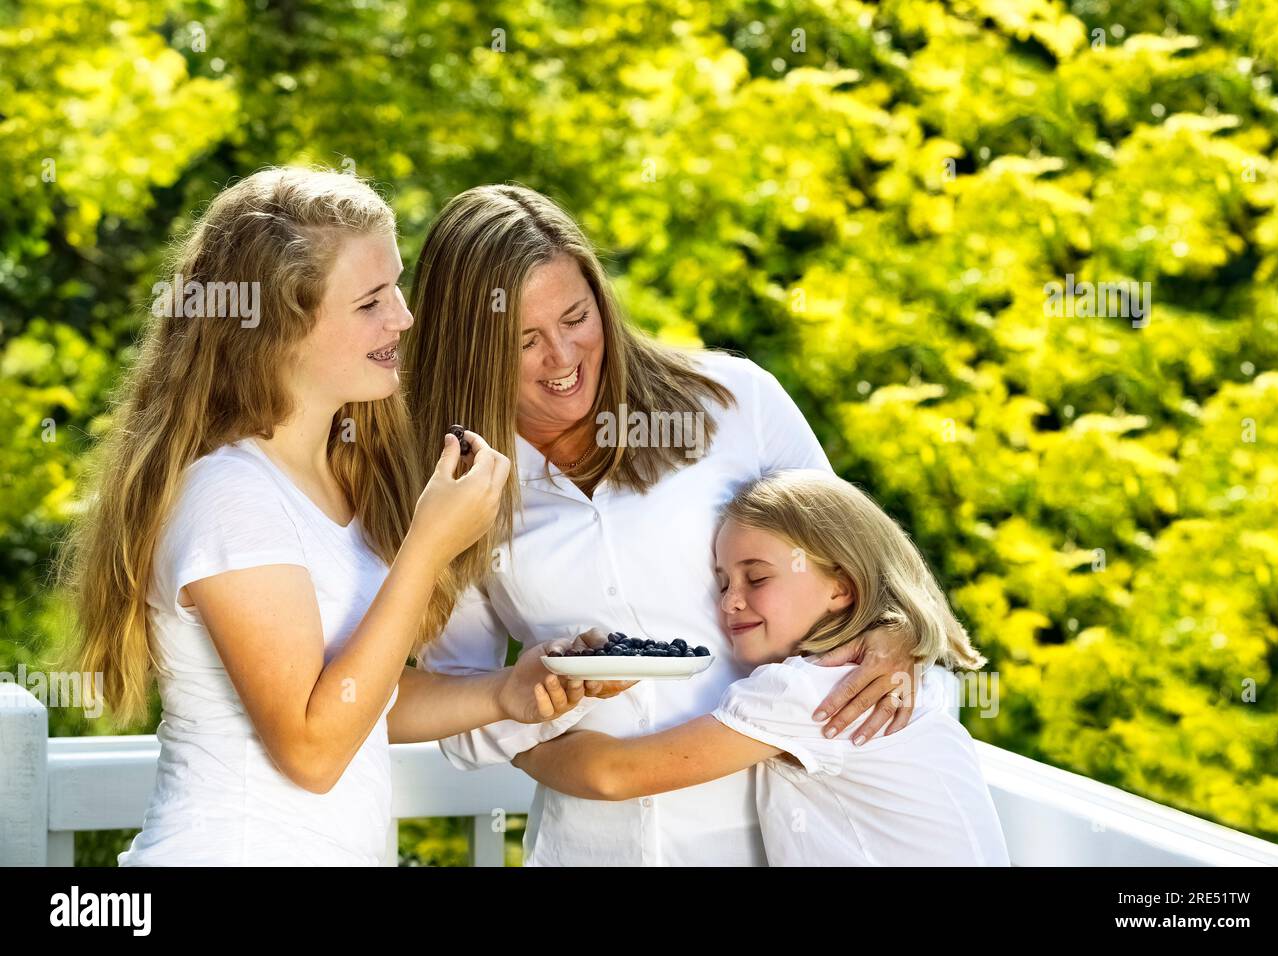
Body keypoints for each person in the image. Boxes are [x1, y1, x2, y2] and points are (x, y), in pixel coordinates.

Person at [64, 168, 587, 866]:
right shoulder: (231, 496)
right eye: (371, 301)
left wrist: (506, 691)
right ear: (280, 329)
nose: (402, 317)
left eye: (396, 287)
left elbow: (355, 703)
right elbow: (311, 748)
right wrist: (427, 548)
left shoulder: (336, 475)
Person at [401, 184, 921, 865]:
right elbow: (461, 717)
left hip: (779, 841)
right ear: (471, 349)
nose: (562, 357)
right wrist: (540, 696)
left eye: (576, 317)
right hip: (590, 848)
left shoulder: (737, 402)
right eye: (525, 340)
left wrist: (895, 634)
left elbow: (867, 577)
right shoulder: (460, 485)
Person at [514, 469, 1010, 866]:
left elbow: (612, 776)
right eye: (724, 581)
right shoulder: (905, 676)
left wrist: (513, 742)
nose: (731, 602)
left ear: (842, 587)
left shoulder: (807, 690)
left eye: (757, 578)